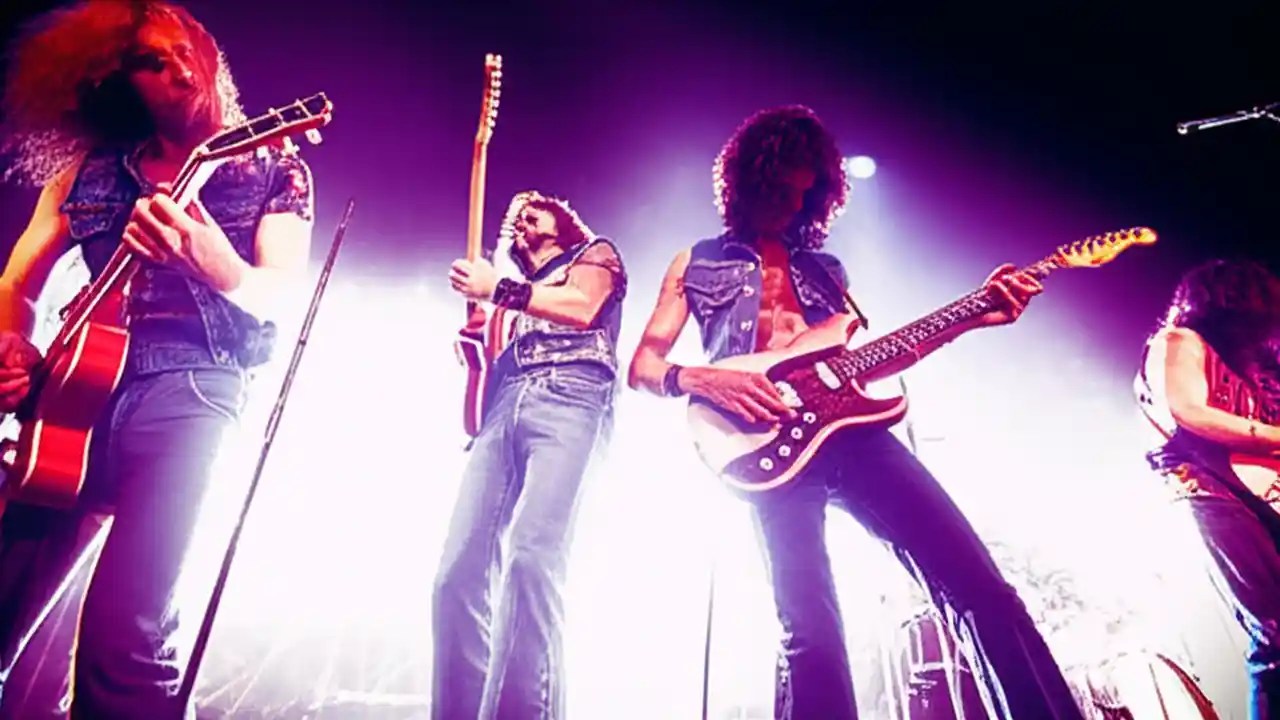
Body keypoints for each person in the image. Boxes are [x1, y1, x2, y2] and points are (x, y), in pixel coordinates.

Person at [627, 105, 1083, 719]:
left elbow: (866, 358)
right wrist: (702, 378)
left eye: (803, 192)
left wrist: (975, 314)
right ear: (749, 180)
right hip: (763, 443)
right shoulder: (697, 261)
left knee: (983, 589)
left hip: (854, 435)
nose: (792, 204)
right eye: (780, 187)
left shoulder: (827, 272)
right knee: (810, 634)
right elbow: (645, 366)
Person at [0, 1, 314, 716]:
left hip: (192, 389)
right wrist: (11, 341)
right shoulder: (87, 172)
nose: (179, 68)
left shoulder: (275, 165)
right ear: (114, 83)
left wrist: (218, 264)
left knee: (123, 640)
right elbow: (17, 282)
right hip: (71, 397)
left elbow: (279, 296)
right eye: (150, 61)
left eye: (186, 49)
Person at [435, 190, 625, 719]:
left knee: (531, 561)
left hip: (572, 395)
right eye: (514, 215)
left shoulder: (594, 253)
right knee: (457, 575)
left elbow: (583, 306)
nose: (521, 217)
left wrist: (499, 289)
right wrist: (477, 344)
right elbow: (484, 356)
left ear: (564, 221)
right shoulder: (505, 299)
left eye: (534, 209)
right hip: (502, 408)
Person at [1137, 259, 1280, 720]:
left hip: (1257, 496)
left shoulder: (1254, 372)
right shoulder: (1178, 340)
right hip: (1203, 488)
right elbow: (1188, 411)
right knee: (1273, 629)